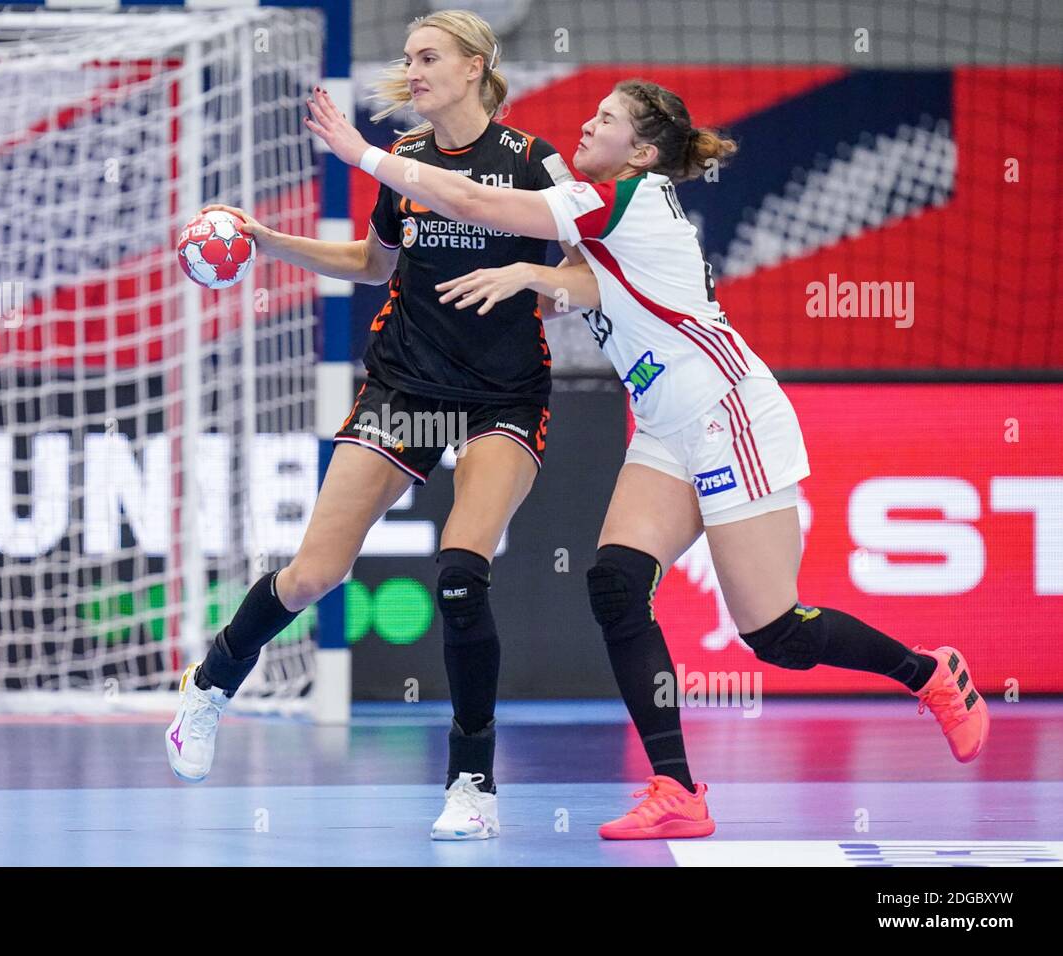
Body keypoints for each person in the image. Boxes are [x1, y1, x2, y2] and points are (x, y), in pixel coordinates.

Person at [304, 75, 991, 841]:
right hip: (664, 425)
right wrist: (525, 278)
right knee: (616, 584)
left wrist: (363, 154)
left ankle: (928, 674)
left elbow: (474, 203)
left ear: (643, 152)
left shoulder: (625, 200)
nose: (587, 126)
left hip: (728, 414)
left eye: (606, 120)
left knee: (774, 634)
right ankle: (677, 790)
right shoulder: (602, 210)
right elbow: (587, 286)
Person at [167, 9, 577, 841]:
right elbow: (372, 263)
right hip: (405, 386)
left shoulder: (533, 161)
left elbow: (580, 267)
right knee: (313, 575)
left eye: (429, 57)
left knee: (461, 570)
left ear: (475, 65)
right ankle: (208, 687)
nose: (412, 70)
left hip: (502, 394)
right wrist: (267, 241)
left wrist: (527, 278)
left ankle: (472, 783)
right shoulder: (408, 162)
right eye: (408, 58)